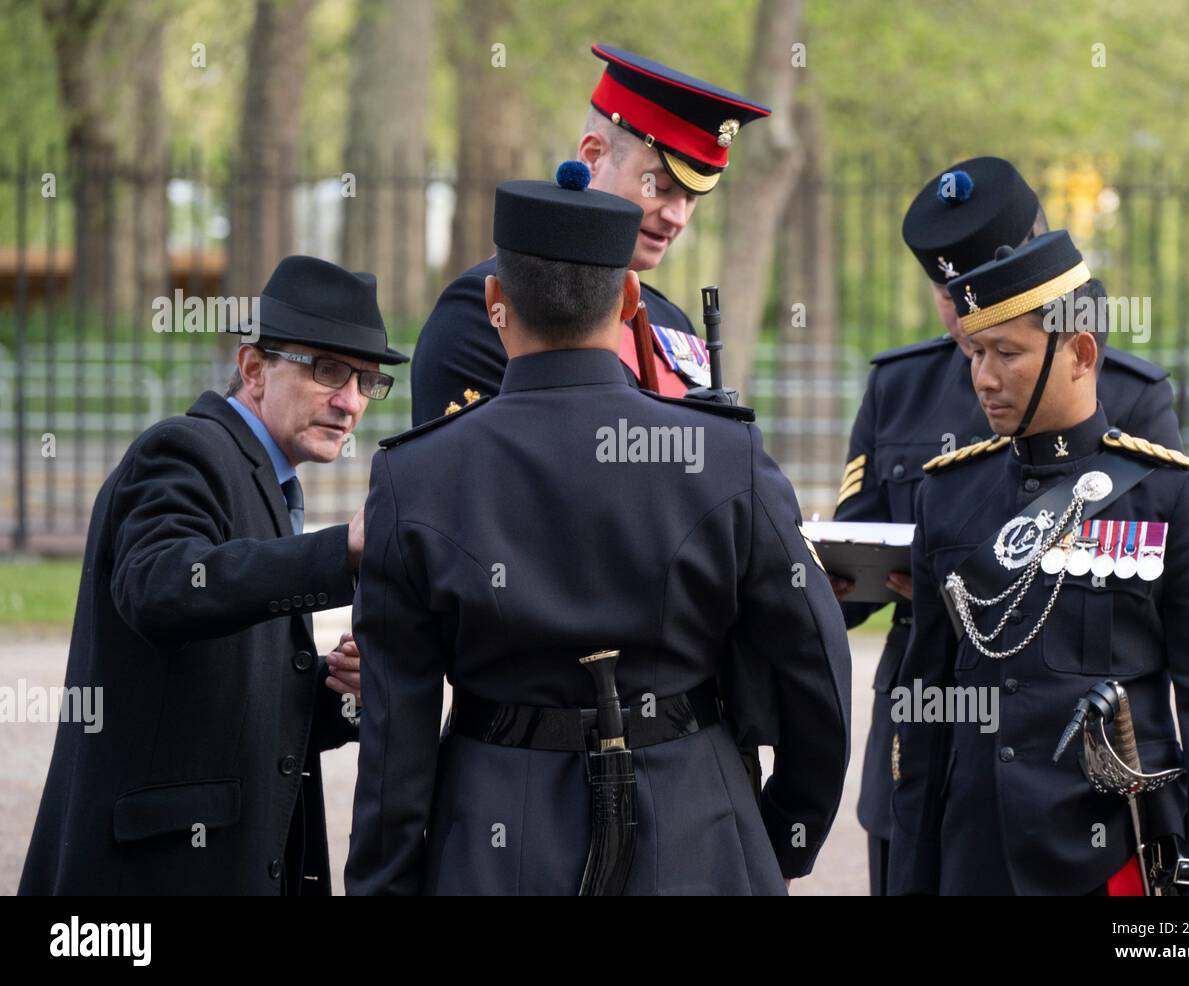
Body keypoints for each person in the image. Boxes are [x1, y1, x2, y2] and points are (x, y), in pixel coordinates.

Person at [345, 162, 851, 895]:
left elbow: (396, 736)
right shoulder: (720, 454)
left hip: (493, 837)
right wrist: (781, 832)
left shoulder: (416, 477)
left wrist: (386, 886)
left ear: (495, 300)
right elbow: (818, 664)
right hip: (699, 822)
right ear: (631, 298)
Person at [831, 157, 1184, 895]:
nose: (967, 321)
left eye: (982, 289)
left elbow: (1150, 568)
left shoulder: (1123, 389)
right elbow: (851, 570)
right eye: (946, 292)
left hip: (1073, 744)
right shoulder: (898, 386)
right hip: (932, 726)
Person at [888, 230, 1189, 895]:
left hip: (1108, 860)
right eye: (975, 351)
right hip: (974, 861)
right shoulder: (947, 495)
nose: (983, 376)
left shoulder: (1172, 499)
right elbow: (928, 718)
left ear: (1081, 353)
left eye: (1008, 353)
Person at [19, 256, 408, 895]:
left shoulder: (265, 478)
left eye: (368, 380)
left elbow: (242, 698)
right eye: (328, 370)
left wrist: (347, 694)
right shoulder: (187, 448)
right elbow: (160, 586)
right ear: (253, 368)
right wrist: (341, 553)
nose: (351, 401)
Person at [408, 44, 771, 423]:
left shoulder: (670, 322)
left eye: (692, 197)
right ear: (593, 155)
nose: (677, 216)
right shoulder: (494, 308)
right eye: (660, 187)